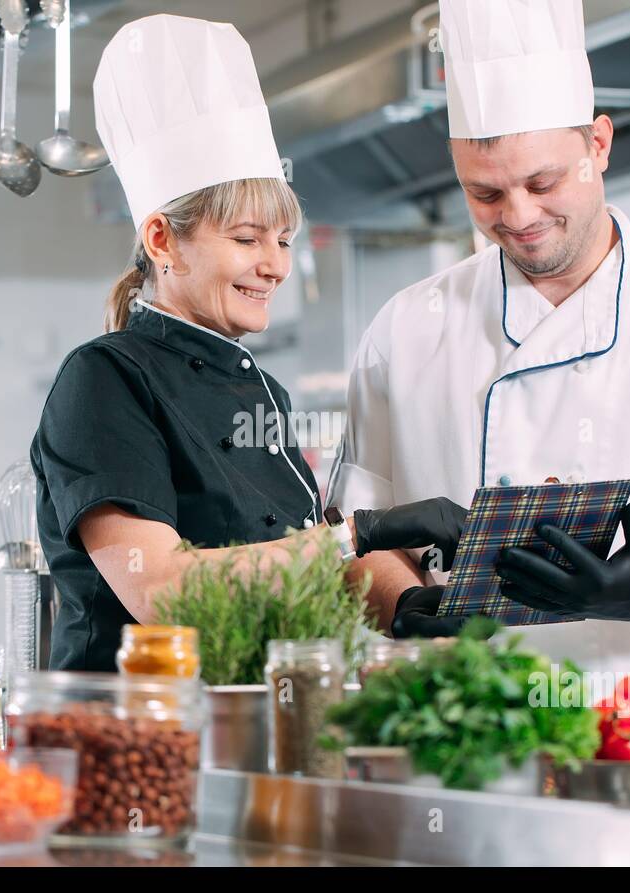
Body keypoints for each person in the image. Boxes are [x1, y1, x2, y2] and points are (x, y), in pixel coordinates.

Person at [326, 0, 630, 717]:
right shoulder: (403, 332)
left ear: (599, 144)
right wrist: (407, 603)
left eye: (543, 183)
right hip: (471, 755)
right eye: (486, 193)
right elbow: (354, 540)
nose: (520, 217)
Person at [31, 14, 464, 671]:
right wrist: (356, 536)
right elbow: (161, 590)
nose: (276, 265)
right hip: (134, 733)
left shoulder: (265, 389)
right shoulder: (103, 380)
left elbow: (303, 558)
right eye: (246, 239)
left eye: (283, 240)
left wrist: (412, 608)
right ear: (161, 240)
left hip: (253, 719)